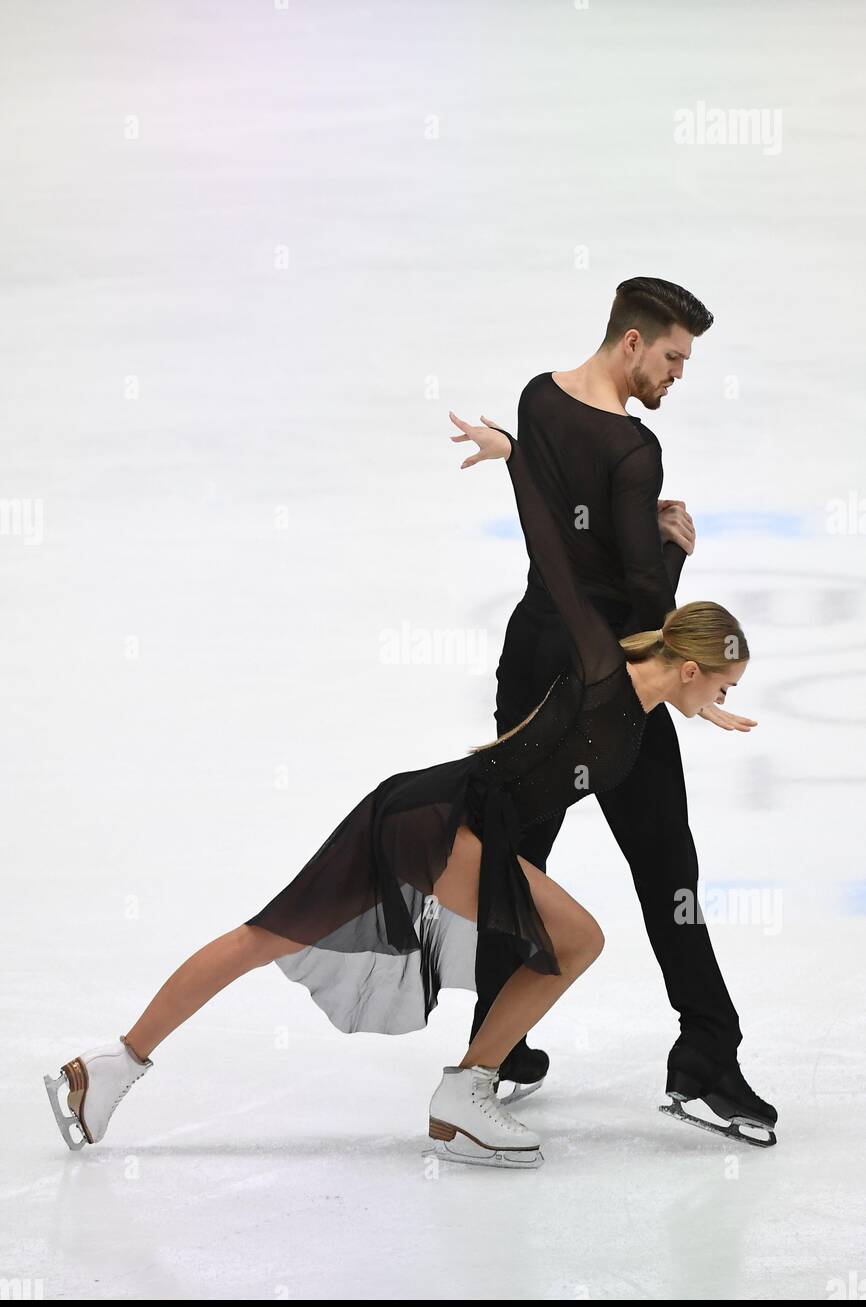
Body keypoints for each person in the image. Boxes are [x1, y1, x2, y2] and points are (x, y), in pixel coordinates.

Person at [43, 387, 773, 1174]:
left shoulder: (648, 688)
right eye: (722, 687)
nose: (722, 702)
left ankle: (110, 1068)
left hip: (438, 814)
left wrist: (672, 553)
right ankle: (465, 1091)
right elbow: (557, 559)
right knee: (564, 938)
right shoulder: (599, 665)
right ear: (692, 667)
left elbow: (666, 629)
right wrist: (518, 458)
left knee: (271, 939)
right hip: (434, 821)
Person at [451, 277, 776, 1144]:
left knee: (517, 856)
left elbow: (552, 526)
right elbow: (636, 606)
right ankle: (707, 1054)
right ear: (632, 343)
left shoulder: (536, 398)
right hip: (606, 680)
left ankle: (497, 1046)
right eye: (672, 357)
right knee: (667, 865)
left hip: (531, 660)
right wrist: (672, 554)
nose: (677, 375)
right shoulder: (635, 451)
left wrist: (510, 450)